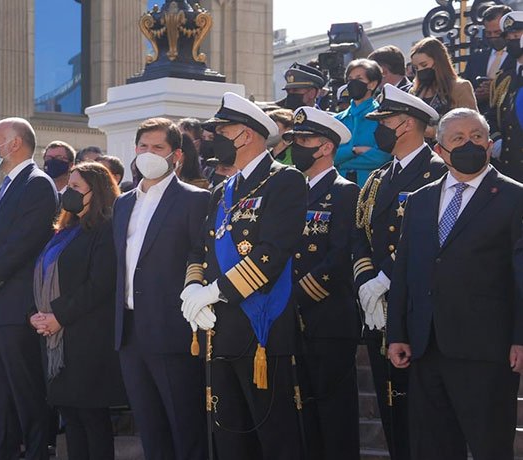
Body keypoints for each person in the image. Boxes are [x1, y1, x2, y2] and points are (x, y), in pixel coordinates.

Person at [388, 108, 523, 459]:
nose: (469, 144)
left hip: (487, 351)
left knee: (489, 446)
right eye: (458, 139)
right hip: (426, 345)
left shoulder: (514, 197)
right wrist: (397, 333)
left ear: (490, 144)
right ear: (439, 150)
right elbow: (405, 270)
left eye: (477, 137)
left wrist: (520, 338)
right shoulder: (420, 200)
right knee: (432, 446)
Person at [182, 92, 307, 460]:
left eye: (223, 130)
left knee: (275, 435)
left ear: (247, 135)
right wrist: (192, 289)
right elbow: (200, 249)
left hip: (260, 328)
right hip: (219, 329)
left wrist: (215, 292)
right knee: (229, 436)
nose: (214, 137)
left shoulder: (285, 181)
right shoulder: (222, 189)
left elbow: (272, 253)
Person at [352, 85, 447, 460]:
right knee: (389, 405)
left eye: (385, 121)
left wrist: (385, 278)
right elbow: (359, 234)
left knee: (423, 414)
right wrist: (365, 283)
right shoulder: (378, 178)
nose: (379, 128)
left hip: (417, 307)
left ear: (406, 124)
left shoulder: (438, 172)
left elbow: (432, 238)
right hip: (379, 310)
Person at [112, 117, 210, 460]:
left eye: (158, 147)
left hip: (174, 331)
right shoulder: (123, 202)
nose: (148, 153)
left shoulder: (195, 200)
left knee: (186, 428)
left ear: (176, 156)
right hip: (130, 331)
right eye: (143, 146)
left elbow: (201, 261)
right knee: (150, 429)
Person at [0, 117, 59, 460]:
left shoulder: (37, 183)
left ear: (14, 144)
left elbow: (23, 243)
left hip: (17, 307)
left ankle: (35, 453)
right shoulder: (5, 185)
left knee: (26, 393)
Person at [30, 162, 126, 460]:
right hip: (57, 338)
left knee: (91, 418)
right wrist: (41, 314)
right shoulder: (64, 230)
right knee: (70, 418)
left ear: (94, 192)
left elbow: (99, 284)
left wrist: (58, 316)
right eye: (67, 186)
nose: (66, 192)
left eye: (75, 187)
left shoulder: (106, 228)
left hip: (88, 337)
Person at [283, 107, 361, 459]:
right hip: (289, 322)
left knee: (335, 418)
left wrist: (295, 295)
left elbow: (340, 257)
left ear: (326, 146)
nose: (296, 146)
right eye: (294, 140)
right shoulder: (287, 192)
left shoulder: (345, 193)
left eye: (304, 140)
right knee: (302, 416)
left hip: (328, 319)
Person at [335, 59, 393, 186]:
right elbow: (330, 157)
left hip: (371, 187)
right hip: (339, 187)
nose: (353, 83)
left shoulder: (383, 118)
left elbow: (381, 158)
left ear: (372, 84)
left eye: (359, 78)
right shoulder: (338, 120)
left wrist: (342, 161)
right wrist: (354, 150)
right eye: (350, 79)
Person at [409, 37, 477, 139]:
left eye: (424, 65)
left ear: (438, 62)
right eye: (416, 67)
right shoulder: (415, 92)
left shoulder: (460, 87)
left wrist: (433, 131)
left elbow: (471, 123)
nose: (420, 70)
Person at [488, 11, 523, 182]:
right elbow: (492, 115)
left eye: (516, 36)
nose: (511, 41)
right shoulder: (503, 78)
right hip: (510, 168)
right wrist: (497, 141)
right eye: (508, 38)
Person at [462, 4, 514, 113]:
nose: (493, 37)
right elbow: (464, 92)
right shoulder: (476, 58)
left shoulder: (518, 56)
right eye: (488, 33)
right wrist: (476, 96)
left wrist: (495, 90)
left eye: (497, 32)